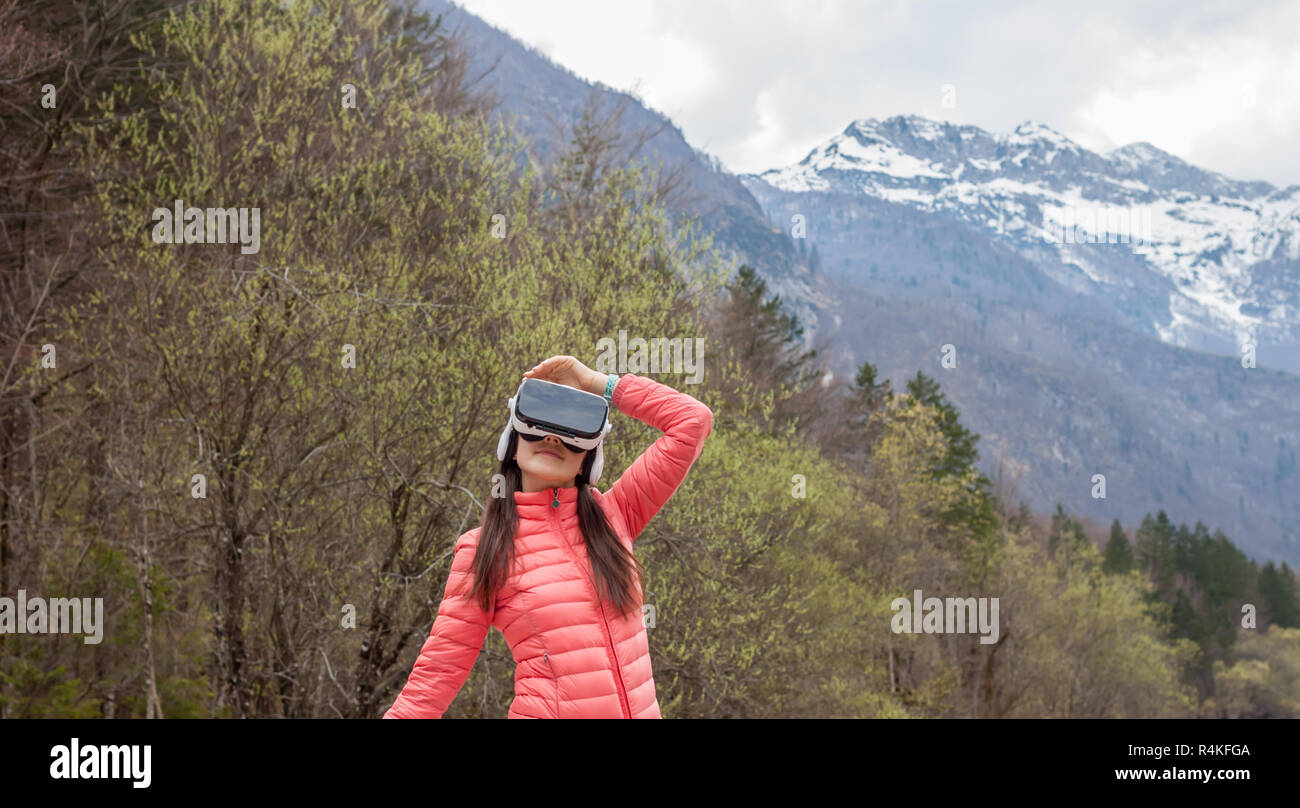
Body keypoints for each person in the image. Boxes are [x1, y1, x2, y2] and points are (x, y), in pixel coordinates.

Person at [383, 354, 713, 718]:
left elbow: (692, 422)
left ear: (591, 456)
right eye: (538, 422)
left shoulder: (615, 517)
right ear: (512, 437)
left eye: (573, 430)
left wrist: (595, 383)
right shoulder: (483, 550)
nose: (554, 437)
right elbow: (434, 680)